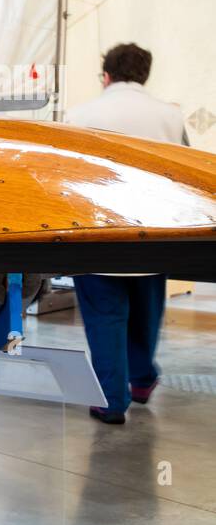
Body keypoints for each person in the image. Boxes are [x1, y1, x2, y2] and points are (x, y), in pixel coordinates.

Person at [66, 43, 188, 424]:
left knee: (106, 318)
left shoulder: (81, 114)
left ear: (106, 75)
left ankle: (111, 400)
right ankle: (142, 381)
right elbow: (186, 165)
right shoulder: (171, 116)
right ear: (144, 75)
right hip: (155, 233)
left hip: (100, 234)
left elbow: (65, 174)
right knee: (146, 314)